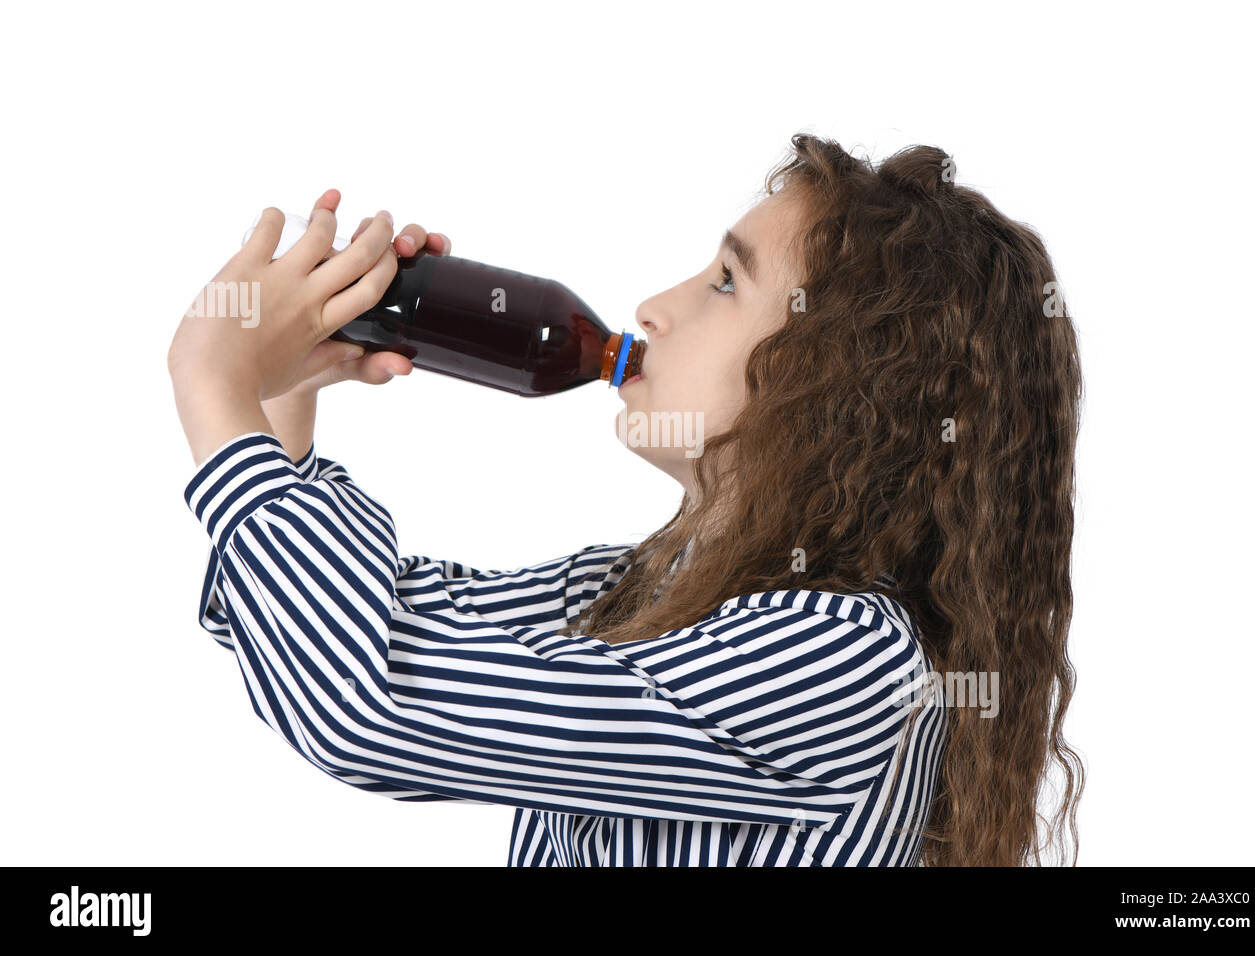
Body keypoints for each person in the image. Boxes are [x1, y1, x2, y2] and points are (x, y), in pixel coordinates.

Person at [168, 133, 1082, 866]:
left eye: (727, 283)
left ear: (850, 385)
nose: (651, 308)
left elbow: (365, 705)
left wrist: (213, 385)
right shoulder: (634, 589)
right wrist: (288, 396)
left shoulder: (843, 659)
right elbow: (342, 628)